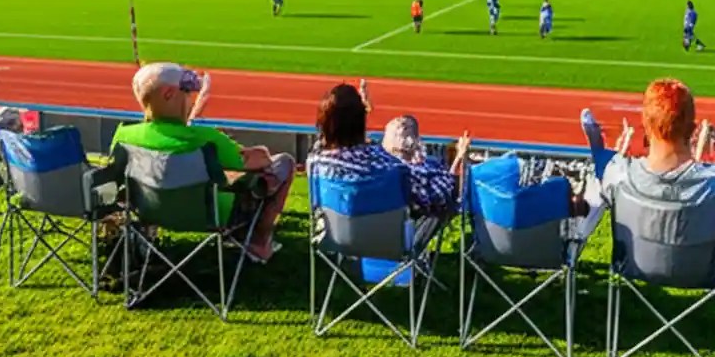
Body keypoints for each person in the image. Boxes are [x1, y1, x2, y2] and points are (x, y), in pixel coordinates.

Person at [113, 63, 295, 262]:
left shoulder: (124, 135)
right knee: (283, 163)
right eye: (187, 93)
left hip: (148, 210)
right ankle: (258, 242)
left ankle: (147, 233)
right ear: (168, 94)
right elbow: (260, 161)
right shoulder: (206, 139)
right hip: (213, 216)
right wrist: (260, 151)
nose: (191, 100)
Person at [592, 79, 715, 254]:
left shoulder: (620, 174)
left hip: (636, 268)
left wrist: (616, 151)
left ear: (646, 126)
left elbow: (600, 184)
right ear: (692, 129)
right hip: (702, 273)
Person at [309, 83, 462, 217]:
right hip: (385, 240)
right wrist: (450, 169)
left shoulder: (316, 161)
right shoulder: (387, 167)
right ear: (360, 123)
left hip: (334, 238)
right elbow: (438, 195)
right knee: (438, 205)